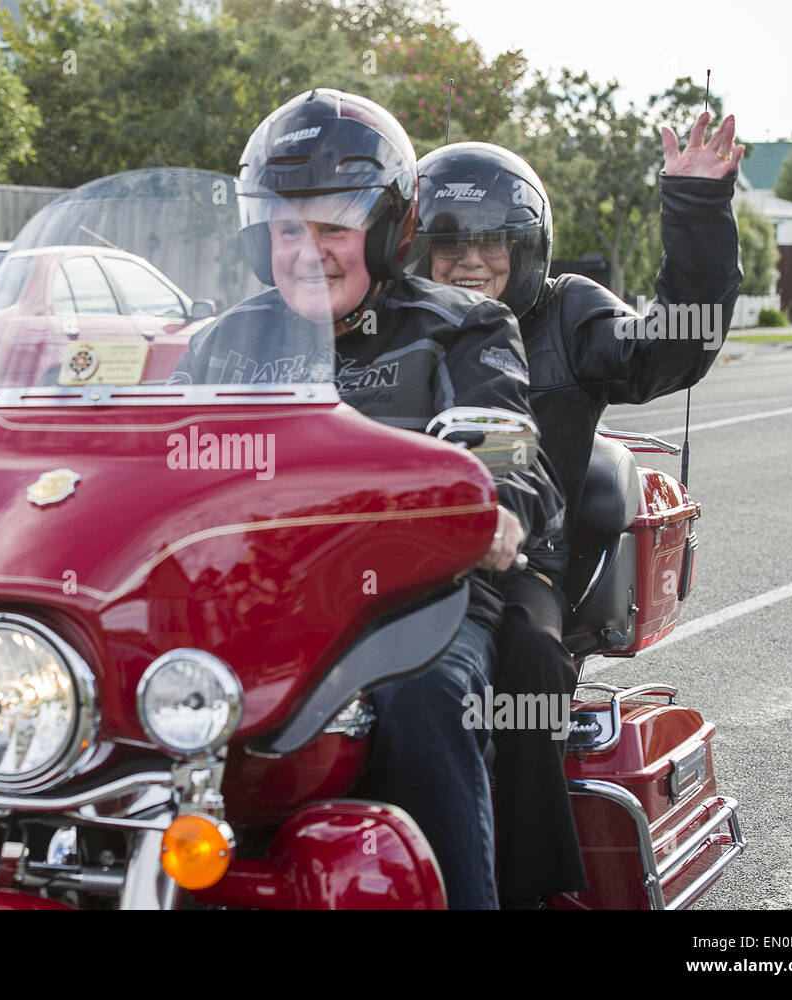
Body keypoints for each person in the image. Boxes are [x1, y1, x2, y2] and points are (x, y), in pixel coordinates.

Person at [170, 88, 565, 909]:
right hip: (247, 608)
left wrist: (490, 504)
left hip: (416, 609)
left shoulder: (463, 327)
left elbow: (505, 443)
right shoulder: (223, 345)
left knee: (426, 699)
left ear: (391, 230)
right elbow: (160, 459)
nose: (306, 251)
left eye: (331, 228)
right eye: (286, 229)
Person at [411, 114, 744, 906]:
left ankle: (526, 889)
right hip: (388, 560)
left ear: (526, 249)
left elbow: (670, 346)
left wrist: (695, 204)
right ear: (416, 247)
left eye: (493, 244)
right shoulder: (390, 320)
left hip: (522, 566)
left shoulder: (566, 314)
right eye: (452, 244)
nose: (471, 263)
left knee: (526, 672)